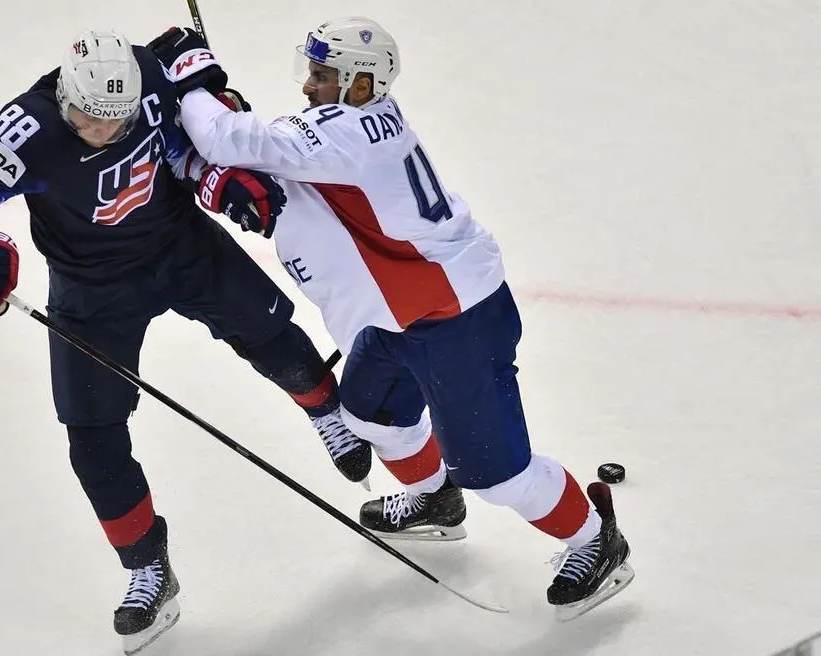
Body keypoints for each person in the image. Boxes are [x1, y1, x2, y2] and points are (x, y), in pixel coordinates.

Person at [153, 17, 635, 620]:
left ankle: (595, 538)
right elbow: (260, 156)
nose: (309, 85)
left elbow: (230, 140)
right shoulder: (351, 127)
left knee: (498, 475)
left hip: (457, 317)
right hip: (402, 316)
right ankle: (434, 499)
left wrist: (188, 81)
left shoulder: (345, 134)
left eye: (324, 75)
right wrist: (214, 135)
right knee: (369, 412)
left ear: (360, 83)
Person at [0, 29, 372, 653]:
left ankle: (328, 413)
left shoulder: (146, 76)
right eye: (89, 120)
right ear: (64, 93)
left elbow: (182, 152)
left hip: (179, 247)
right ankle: (147, 569)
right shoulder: (28, 128)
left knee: (268, 330)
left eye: (117, 120)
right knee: (91, 433)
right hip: (91, 292)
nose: (104, 131)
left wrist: (220, 184)